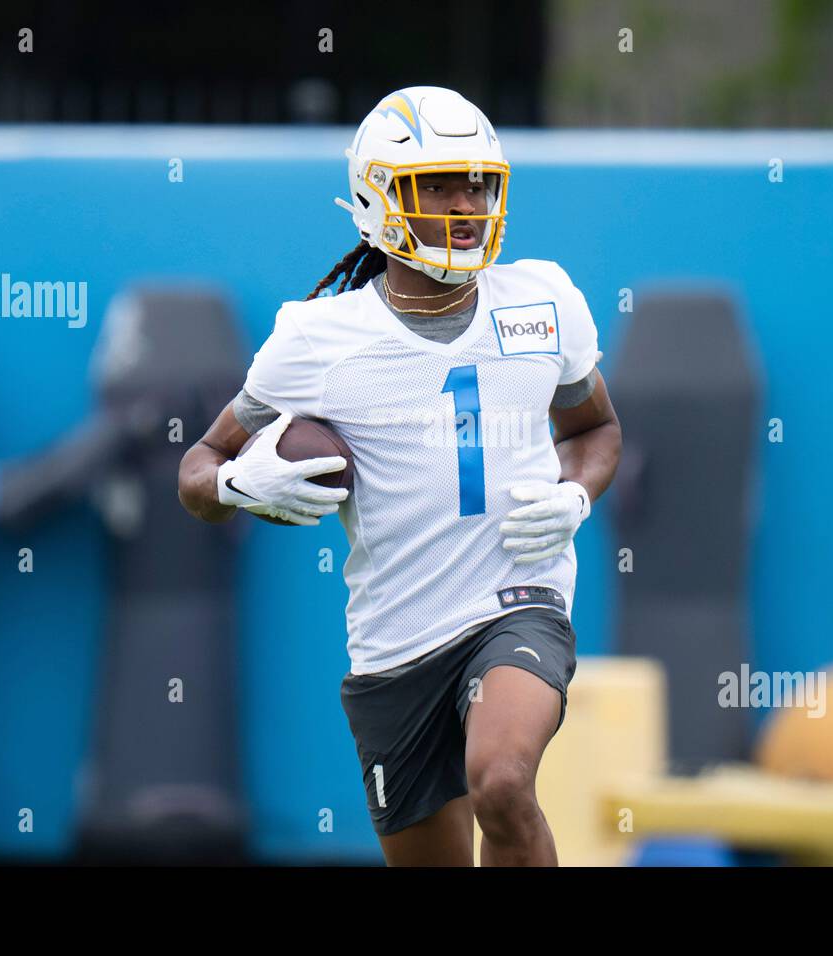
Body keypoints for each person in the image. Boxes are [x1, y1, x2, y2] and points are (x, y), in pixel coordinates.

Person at [177, 86, 621, 865]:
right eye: (438, 185)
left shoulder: (545, 299)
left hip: (519, 598)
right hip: (396, 639)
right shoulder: (316, 337)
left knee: (503, 781)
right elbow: (197, 468)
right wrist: (241, 486)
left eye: (478, 183)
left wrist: (575, 495)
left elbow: (596, 429)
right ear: (376, 199)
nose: (466, 204)